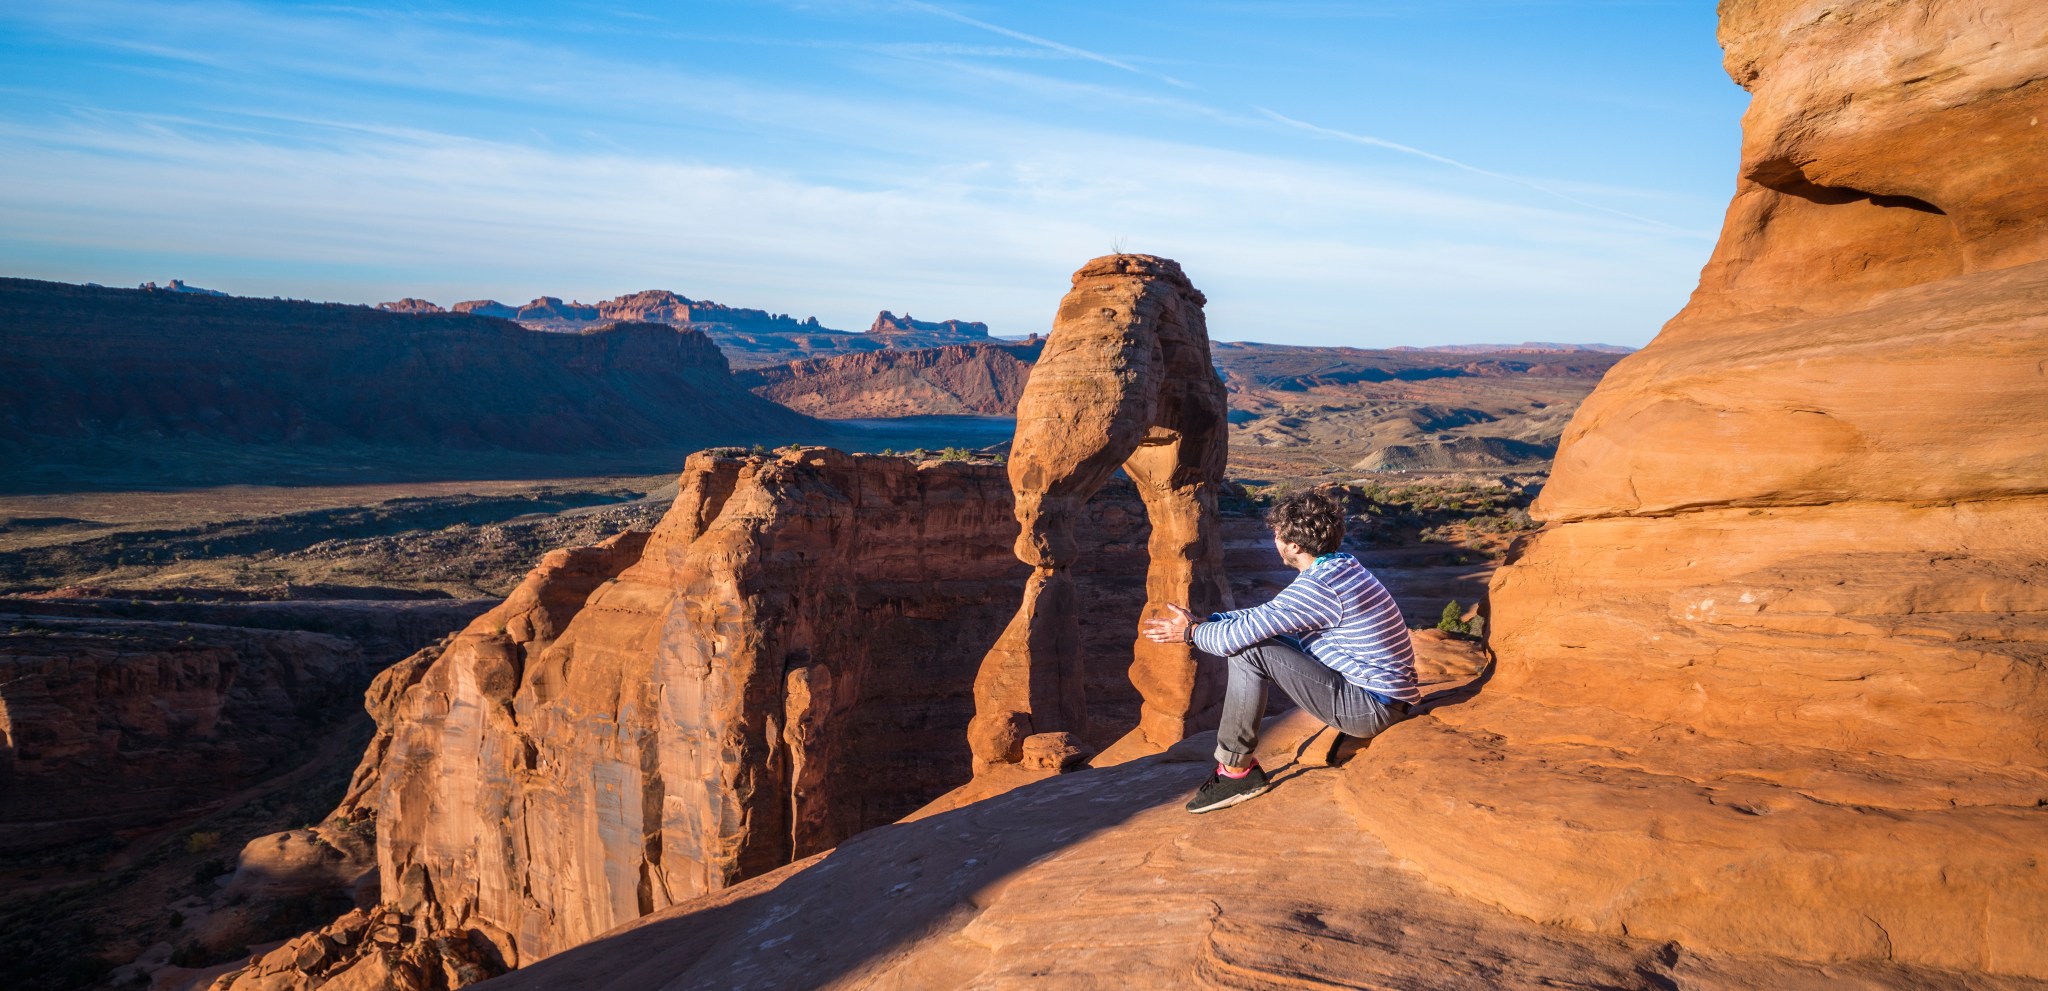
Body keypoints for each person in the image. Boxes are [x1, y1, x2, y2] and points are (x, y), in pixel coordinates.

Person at [1143, 490, 1420, 813]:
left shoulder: (1319, 587)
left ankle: (1235, 773)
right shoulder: (1341, 567)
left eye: (1277, 535)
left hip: (1370, 708)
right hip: (1380, 697)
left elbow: (1229, 642)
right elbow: (1267, 615)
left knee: (1248, 651)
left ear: (1294, 545)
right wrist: (1209, 621)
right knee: (1253, 640)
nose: (1275, 541)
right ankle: (1237, 768)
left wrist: (1189, 633)